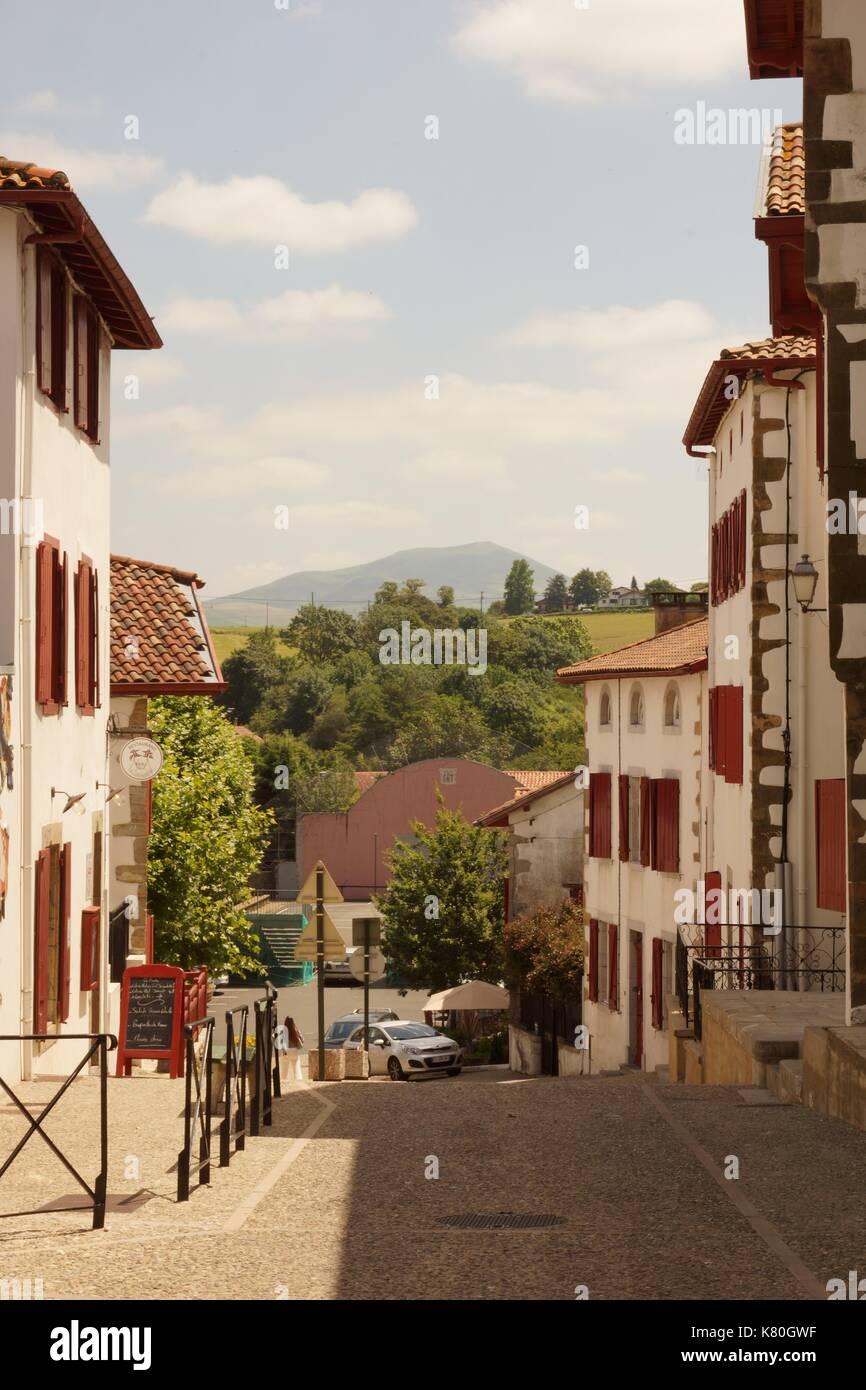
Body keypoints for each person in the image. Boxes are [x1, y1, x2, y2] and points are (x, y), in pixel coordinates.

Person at [282, 1016, 305, 1082]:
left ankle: (283, 1079)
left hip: (286, 1051)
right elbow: (302, 1039)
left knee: (284, 1067)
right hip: (294, 1050)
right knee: (296, 1066)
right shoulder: (296, 1030)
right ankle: (299, 1078)